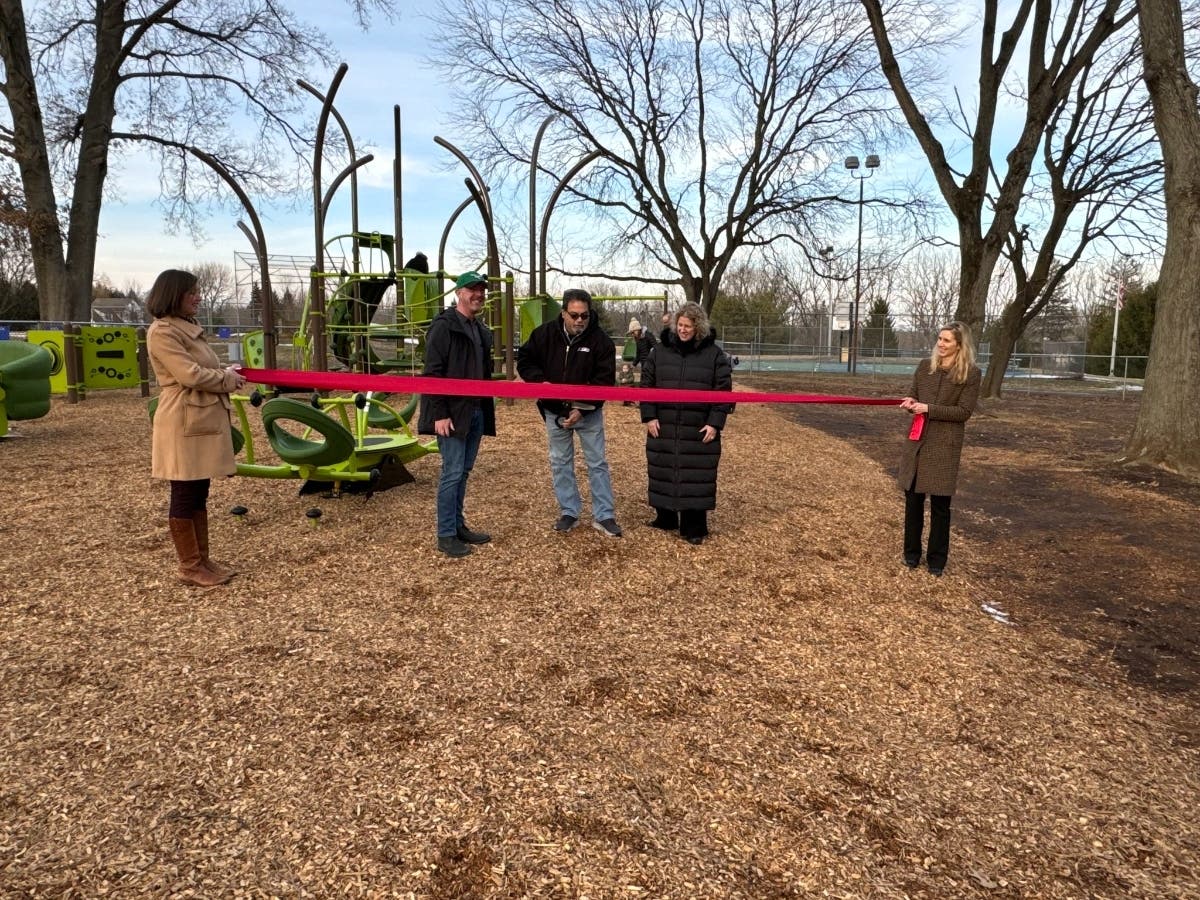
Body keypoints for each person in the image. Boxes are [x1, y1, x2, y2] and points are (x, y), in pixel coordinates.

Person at [146, 269, 248, 587]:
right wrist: (227, 379)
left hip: (199, 416)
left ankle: (202, 559)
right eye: (192, 292)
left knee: (199, 489)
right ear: (173, 294)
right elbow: (189, 374)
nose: (198, 297)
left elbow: (203, 368)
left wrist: (223, 369)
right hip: (183, 418)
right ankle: (189, 566)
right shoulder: (163, 332)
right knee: (185, 489)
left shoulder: (187, 328)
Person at [517, 288, 622, 537]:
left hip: (588, 413)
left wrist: (582, 409)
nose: (579, 321)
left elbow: (604, 380)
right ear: (563, 313)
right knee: (560, 462)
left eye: (584, 316)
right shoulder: (544, 335)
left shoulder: (601, 341)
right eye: (574, 315)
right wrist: (539, 382)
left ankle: (604, 515)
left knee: (597, 463)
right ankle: (569, 511)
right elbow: (525, 360)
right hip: (554, 411)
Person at [417, 271, 497, 557]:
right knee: (451, 472)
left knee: (463, 471)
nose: (478, 295)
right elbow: (432, 374)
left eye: (481, 291)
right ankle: (446, 534)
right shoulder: (444, 326)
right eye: (472, 290)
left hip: (475, 410)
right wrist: (439, 413)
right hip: (451, 412)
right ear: (459, 293)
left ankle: (458, 524)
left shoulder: (480, 330)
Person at [640, 302, 733, 545]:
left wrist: (715, 423)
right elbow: (646, 384)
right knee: (662, 469)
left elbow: (724, 391)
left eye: (688, 327)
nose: (683, 330)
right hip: (665, 422)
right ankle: (665, 516)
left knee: (696, 475)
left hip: (698, 426)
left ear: (698, 328)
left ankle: (694, 527)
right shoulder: (660, 352)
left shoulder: (713, 355)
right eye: (680, 325)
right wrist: (649, 415)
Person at [897, 321, 982, 576]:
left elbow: (964, 412)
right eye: (939, 339)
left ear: (959, 345)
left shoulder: (971, 374)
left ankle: (936, 561)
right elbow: (914, 395)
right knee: (912, 501)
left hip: (944, 445)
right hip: (918, 441)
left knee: (940, 506)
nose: (940, 344)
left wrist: (929, 409)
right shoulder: (925, 367)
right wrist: (912, 403)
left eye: (947, 340)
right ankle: (911, 554)